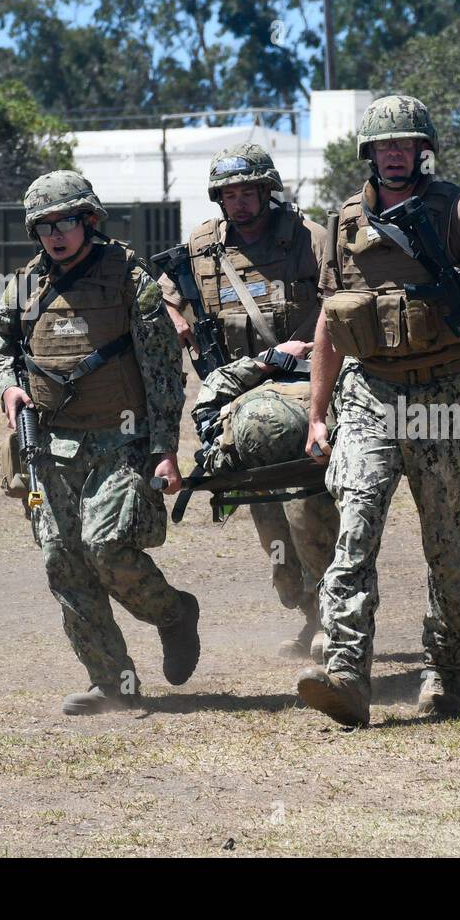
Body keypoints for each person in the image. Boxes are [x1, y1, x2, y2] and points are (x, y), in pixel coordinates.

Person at [295, 95, 460, 726]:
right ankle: (348, 671)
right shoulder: (343, 224)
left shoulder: (458, 210)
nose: (397, 154)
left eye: (407, 145)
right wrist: (319, 413)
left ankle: (445, 661)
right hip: (369, 394)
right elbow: (330, 323)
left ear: (423, 150)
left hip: (443, 392)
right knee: (354, 527)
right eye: (386, 146)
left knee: (449, 536)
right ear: (370, 154)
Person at [0, 170, 199, 715]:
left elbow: (163, 372)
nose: (55, 235)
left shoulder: (129, 277)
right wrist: (7, 385)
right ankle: (113, 683)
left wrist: (165, 447)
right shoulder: (28, 282)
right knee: (63, 560)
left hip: (121, 440)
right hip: (50, 447)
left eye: (64, 223)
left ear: (89, 221)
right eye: (44, 226)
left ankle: (173, 614)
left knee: (106, 549)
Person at [158, 143, 339, 661]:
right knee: (271, 523)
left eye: (248, 192)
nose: (239, 204)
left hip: (307, 388)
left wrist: (308, 354)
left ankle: (334, 617)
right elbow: (161, 296)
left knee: (308, 508)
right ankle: (307, 610)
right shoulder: (202, 247)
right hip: (238, 399)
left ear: (267, 191)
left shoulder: (309, 240)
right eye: (229, 195)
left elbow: (341, 303)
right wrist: (174, 317)